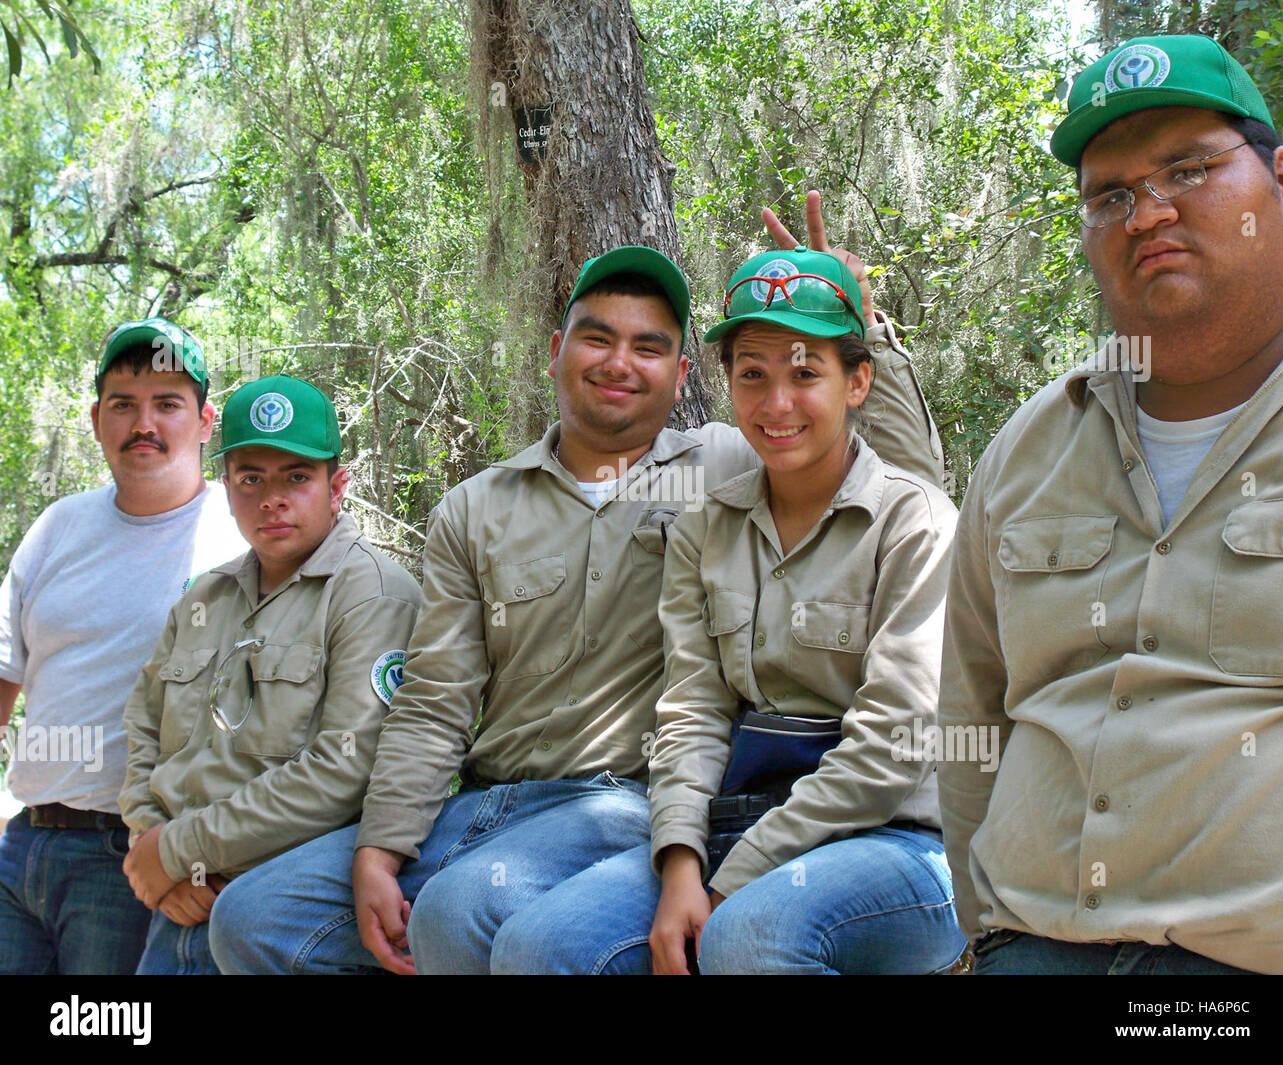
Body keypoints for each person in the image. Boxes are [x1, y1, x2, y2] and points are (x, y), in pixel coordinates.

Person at [210, 222, 943, 975]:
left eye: (650, 346)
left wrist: (868, 330)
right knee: (254, 918)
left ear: (683, 371)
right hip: (487, 803)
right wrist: (382, 842)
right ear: (556, 351)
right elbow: (433, 702)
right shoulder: (477, 507)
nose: (620, 363)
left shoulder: (722, 469)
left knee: (467, 911)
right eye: (597, 338)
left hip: (622, 800)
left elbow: (886, 490)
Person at [491, 245, 966, 974]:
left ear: (858, 380)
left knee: (748, 936)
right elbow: (693, 710)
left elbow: (891, 747)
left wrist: (724, 883)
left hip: (899, 837)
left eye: (806, 373)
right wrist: (681, 859)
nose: (777, 404)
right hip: (736, 824)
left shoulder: (916, 522)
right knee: (539, 945)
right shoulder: (705, 526)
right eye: (753, 375)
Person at [938, 34, 1283, 975]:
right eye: (1111, 196)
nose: (1149, 213)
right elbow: (974, 708)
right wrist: (984, 928)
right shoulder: (1031, 448)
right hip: (1033, 943)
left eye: (1188, 168)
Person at [118, 375, 421, 974]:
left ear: (337, 487)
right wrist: (150, 844)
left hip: (280, 916)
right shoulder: (204, 597)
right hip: (175, 906)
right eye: (251, 478)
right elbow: (142, 728)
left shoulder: (374, 594)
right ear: (226, 488)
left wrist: (180, 850)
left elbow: (345, 771)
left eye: (296, 477)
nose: (271, 498)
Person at [0, 318, 246, 974]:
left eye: (167, 403)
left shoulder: (243, 537)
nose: (145, 422)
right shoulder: (57, 526)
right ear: (95, 419)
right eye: (123, 404)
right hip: (20, 845)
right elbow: (5, 675)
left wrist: (214, 855)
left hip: (134, 860)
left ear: (204, 420)